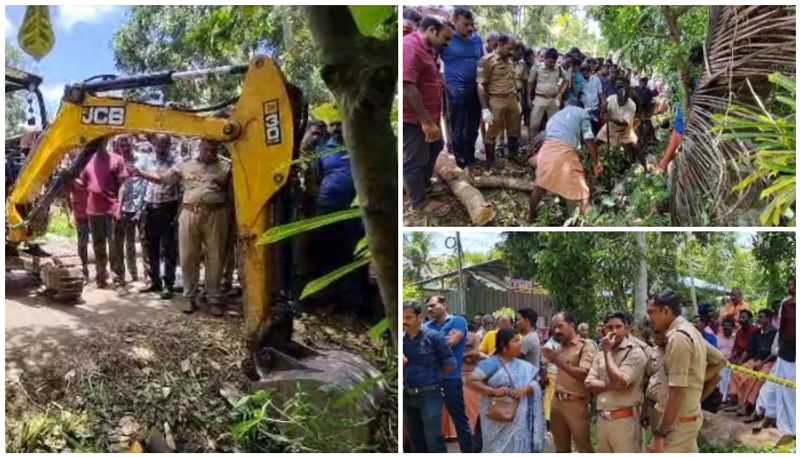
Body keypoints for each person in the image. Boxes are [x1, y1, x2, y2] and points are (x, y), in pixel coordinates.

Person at [135, 139, 231, 316]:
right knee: (188, 257)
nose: (210, 153)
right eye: (206, 149)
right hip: (189, 213)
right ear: (199, 148)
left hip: (216, 214)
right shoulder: (185, 165)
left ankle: (214, 299)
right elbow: (164, 179)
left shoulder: (227, 166)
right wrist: (140, 173)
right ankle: (190, 298)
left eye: (213, 150)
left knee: (215, 257)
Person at [645, 289, 707, 452]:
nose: (649, 318)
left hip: (678, 425)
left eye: (652, 312)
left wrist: (660, 433)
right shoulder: (691, 331)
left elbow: (678, 390)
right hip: (687, 418)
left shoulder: (678, 338)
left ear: (666, 310)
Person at [403, 16, 453, 217]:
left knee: (436, 147)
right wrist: (425, 121)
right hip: (415, 119)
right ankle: (419, 202)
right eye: (446, 38)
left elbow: (428, 76)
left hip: (431, 116)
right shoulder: (410, 47)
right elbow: (407, 85)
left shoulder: (428, 49)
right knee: (415, 160)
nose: (447, 43)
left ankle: (424, 187)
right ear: (432, 30)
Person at [466, 328, 546, 452]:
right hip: (496, 420)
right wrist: (492, 391)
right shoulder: (491, 363)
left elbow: (537, 383)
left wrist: (527, 389)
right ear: (504, 345)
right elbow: (470, 381)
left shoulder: (523, 365)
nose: (520, 344)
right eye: (516, 341)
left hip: (520, 423)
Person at [528, 99, 603, 221]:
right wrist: (596, 163)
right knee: (583, 196)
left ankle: (530, 216)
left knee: (540, 186)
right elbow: (589, 138)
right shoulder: (582, 112)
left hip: (545, 151)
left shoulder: (555, 116)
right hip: (563, 152)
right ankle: (593, 224)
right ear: (579, 106)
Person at [584, 312, 649, 452]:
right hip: (602, 421)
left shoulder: (635, 353)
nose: (613, 331)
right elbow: (589, 383)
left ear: (626, 329)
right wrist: (614, 385)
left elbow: (620, 381)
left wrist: (607, 352)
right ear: (604, 330)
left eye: (618, 326)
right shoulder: (600, 355)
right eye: (609, 327)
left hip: (625, 421)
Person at [403, 303, 455, 453]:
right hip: (407, 394)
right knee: (416, 441)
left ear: (419, 317)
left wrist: (434, 378)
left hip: (430, 394)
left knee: (434, 441)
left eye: (408, 317)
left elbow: (450, 363)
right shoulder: (401, 340)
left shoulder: (434, 337)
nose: (404, 321)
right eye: (402, 318)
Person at [542, 311, 596, 452]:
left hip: (576, 404)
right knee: (560, 448)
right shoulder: (560, 347)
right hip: (557, 403)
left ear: (572, 325)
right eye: (554, 327)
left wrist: (556, 361)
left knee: (583, 447)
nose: (557, 330)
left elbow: (584, 374)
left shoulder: (586, 346)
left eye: (560, 326)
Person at [424, 297, 473, 452]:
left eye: (433, 305)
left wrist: (430, 344)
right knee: (432, 421)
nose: (430, 309)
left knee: (459, 419)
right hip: (430, 380)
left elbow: (451, 343)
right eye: (428, 307)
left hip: (451, 379)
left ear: (444, 305)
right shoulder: (426, 326)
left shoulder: (458, 321)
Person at [77, 139, 128, 288]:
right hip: (93, 210)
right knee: (98, 245)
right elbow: (84, 183)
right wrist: (68, 178)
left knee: (114, 245)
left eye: (102, 142)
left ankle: (118, 278)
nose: (99, 145)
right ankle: (101, 277)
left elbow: (123, 185)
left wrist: (119, 207)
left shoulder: (117, 159)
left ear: (106, 142)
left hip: (111, 209)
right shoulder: (87, 161)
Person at [138, 134, 180, 299]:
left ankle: (168, 284)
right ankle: (155, 281)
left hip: (168, 207)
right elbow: (133, 170)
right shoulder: (148, 159)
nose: (160, 149)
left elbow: (163, 180)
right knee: (151, 247)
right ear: (154, 144)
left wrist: (141, 173)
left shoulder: (176, 161)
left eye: (164, 146)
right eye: (158, 145)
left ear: (169, 145)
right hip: (150, 206)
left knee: (168, 248)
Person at [441, 7, 483, 169]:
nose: (470, 28)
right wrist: (445, 85)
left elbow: (482, 62)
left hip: (475, 90)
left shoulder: (477, 40)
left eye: (471, 24)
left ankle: (470, 155)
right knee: (458, 126)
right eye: (465, 24)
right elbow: (433, 63)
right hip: (455, 91)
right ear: (455, 21)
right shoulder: (446, 39)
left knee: (473, 125)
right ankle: (459, 159)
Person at [755, 277, 795, 433]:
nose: (791, 287)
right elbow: (783, 327)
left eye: (794, 284)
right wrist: (782, 346)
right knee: (774, 386)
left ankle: (790, 426)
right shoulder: (786, 304)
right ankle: (769, 417)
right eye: (790, 284)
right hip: (787, 350)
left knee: (791, 390)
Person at [477, 34, 521, 167]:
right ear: (500, 45)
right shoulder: (487, 60)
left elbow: (512, 80)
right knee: (492, 132)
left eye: (513, 49)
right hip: (496, 100)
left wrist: (517, 99)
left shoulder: (509, 60)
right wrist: (484, 108)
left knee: (514, 130)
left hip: (512, 100)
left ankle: (513, 156)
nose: (511, 52)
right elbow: (480, 85)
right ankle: (490, 162)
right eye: (509, 48)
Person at [726, 309, 777, 416]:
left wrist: (762, 363)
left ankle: (747, 406)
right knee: (738, 373)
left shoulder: (775, 333)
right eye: (758, 316)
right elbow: (748, 350)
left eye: (761, 316)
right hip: (755, 359)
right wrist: (740, 363)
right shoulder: (756, 332)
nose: (759, 318)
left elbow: (774, 353)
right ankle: (736, 402)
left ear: (768, 319)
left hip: (769, 362)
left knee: (756, 378)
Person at [115, 135, 146, 283]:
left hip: (141, 207)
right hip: (125, 208)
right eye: (121, 146)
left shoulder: (142, 159)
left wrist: (142, 207)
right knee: (127, 243)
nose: (124, 148)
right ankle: (129, 275)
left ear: (132, 144)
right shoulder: (117, 162)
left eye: (126, 145)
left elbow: (147, 183)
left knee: (146, 243)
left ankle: (148, 276)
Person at [597, 79, 646, 169]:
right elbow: (603, 110)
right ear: (617, 96)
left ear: (627, 98)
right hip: (610, 127)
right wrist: (603, 111)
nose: (621, 102)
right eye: (620, 100)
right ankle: (591, 162)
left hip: (625, 131)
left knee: (635, 147)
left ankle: (645, 168)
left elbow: (624, 123)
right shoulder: (611, 99)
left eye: (624, 101)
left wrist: (610, 118)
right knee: (596, 142)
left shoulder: (631, 105)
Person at [527, 48, 566, 139]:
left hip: (553, 100)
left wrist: (561, 92)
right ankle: (534, 144)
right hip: (539, 99)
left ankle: (550, 144)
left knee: (554, 124)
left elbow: (566, 80)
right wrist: (528, 98)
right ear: (545, 58)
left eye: (554, 62)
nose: (552, 64)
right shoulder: (537, 67)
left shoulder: (559, 69)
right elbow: (530, 83)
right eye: (550, 62)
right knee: (534, 125)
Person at [69, 171, 91, 282]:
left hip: (92, 212)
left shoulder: (88, 172)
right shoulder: (72, 179)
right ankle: (84, 270)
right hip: (81, 214)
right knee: (82, 243)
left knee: (88, 242)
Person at [581, 58, 604, 134]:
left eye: (586, 70)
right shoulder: (580, 80)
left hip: (594, 108)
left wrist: (603, 104)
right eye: (583, 70)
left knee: (594, 127)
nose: (585, 72)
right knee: (584, 127)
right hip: (583, 108)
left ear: (590, 71)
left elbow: (600, 93)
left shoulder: (596, 79)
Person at [717, 317, 737, 403]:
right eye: (724, 325)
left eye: (729, 325)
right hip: (719, 361)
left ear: (733, 327)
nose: (726, 327)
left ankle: (725, 397)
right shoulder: (717, 337)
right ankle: (721, 396)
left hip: (733, 362)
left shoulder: (736, 337)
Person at [634, 76, 657, 145]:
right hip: (635, 110)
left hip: (645, 110)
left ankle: (650, 138)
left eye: (644, 83)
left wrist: (649, 112)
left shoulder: (649, 92)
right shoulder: (635, 89)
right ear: (639, 82)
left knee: (647, 124)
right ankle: (638, 139)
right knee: (637, 125)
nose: (642, 84)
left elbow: (652, 102)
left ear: (646, 84)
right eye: (641, 82)